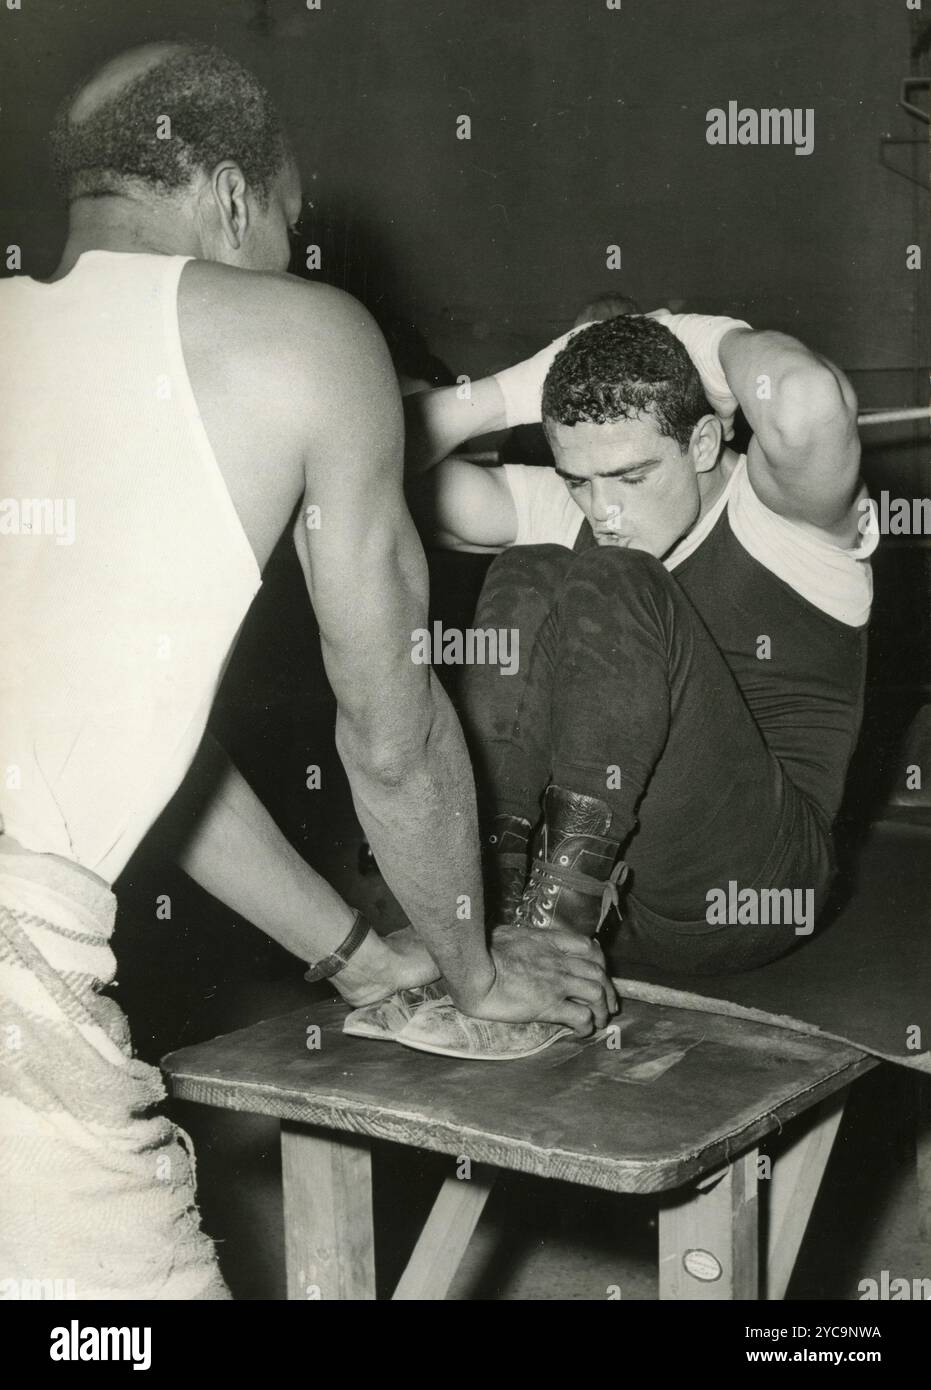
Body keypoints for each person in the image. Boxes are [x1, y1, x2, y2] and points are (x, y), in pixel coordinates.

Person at [0, 41, 613, 1298]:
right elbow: (391, 731)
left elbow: (131, 758)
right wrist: (476, 968)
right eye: (286, 222)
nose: (290, 253)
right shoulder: (303, 336)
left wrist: (367, 958)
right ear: (232, 198)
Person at [399, 309, 877, 1059]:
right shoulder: (582, 505)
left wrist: (673, 329)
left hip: (751, 889)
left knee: (615, 573)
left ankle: (552, 931)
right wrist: (519, 387)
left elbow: (805, 399)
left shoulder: (790, 516)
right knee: (530, 564)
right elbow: (365, 467)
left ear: (703, 439)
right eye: (578, 481)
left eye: (631, 476)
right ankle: (497, 910)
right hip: (624, 906)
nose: (605, 509)